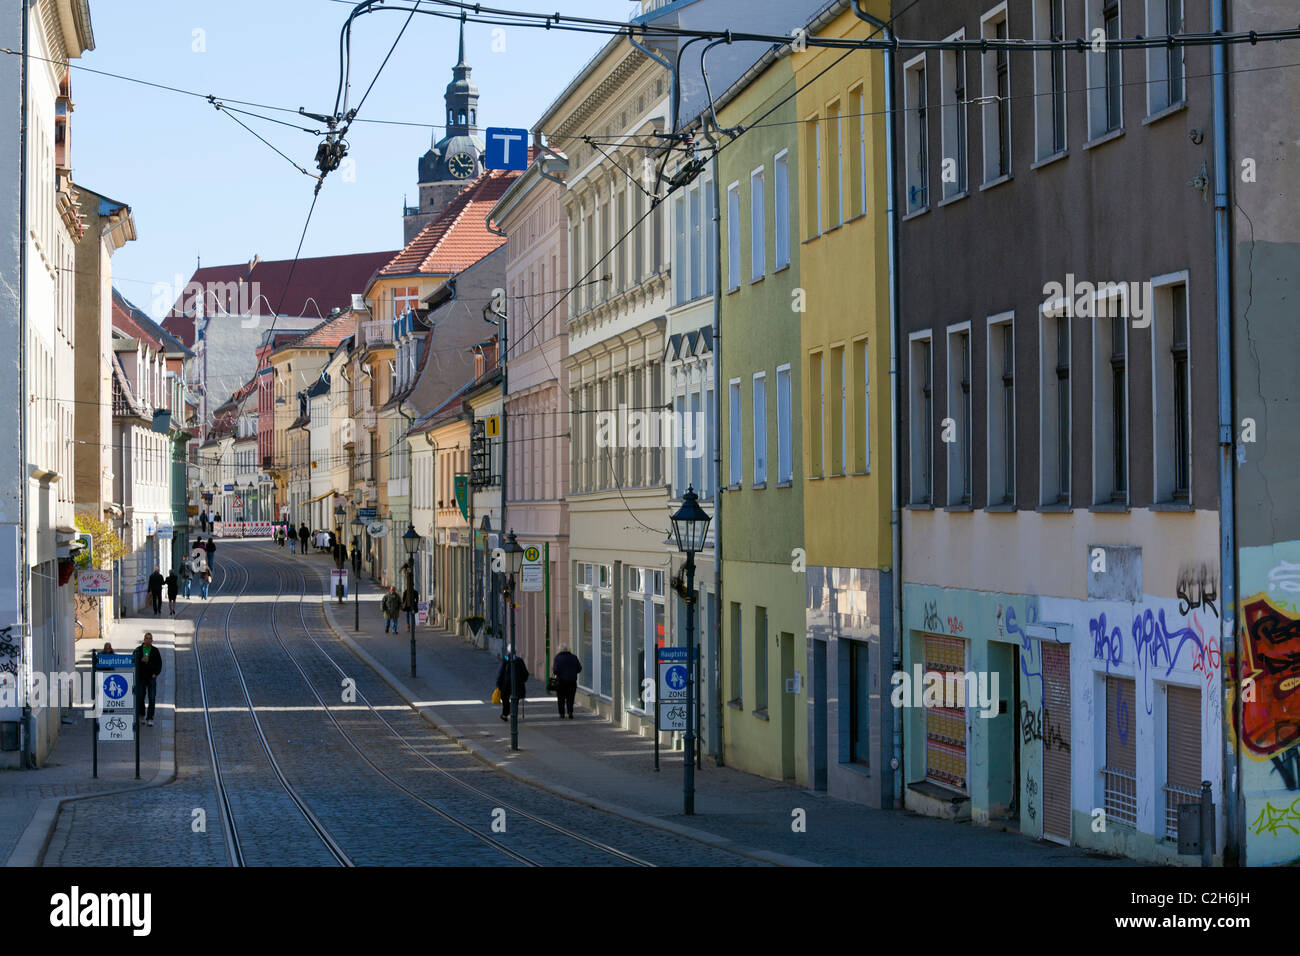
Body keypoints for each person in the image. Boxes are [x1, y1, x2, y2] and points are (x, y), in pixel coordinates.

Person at [133, 632, 162, 726]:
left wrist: (156, 673)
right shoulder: (138, 650)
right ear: (144, 639)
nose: (148, 640)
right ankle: (141, 714)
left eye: (150, 638)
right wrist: (140, 660)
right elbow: (132, 660)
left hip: (151, 678)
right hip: (141, 677)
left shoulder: (155, 650)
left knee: (152, 698)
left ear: (152, 640)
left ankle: (150, 717)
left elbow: (159, 664)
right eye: (147, 638)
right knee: (140, 697)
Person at [495, 652, 529, 721]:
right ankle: (514, 715)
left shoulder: (506, 659)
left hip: (506, 684)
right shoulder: (519, 660)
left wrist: (499, 683)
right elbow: (525, 673)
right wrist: (523, 680)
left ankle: (505, 714)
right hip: (517, 684)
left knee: (505, 699)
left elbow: (501, 671)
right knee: (515, 699)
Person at [552, 644, 582, 719]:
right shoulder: (574, 657)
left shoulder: (557, 658)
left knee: (561, 698)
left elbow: (555, 671)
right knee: (570, 698)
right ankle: (570, 712)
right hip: (572, 681)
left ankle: (562, 714)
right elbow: (579, 668)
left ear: (559, 650)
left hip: (561, 682)